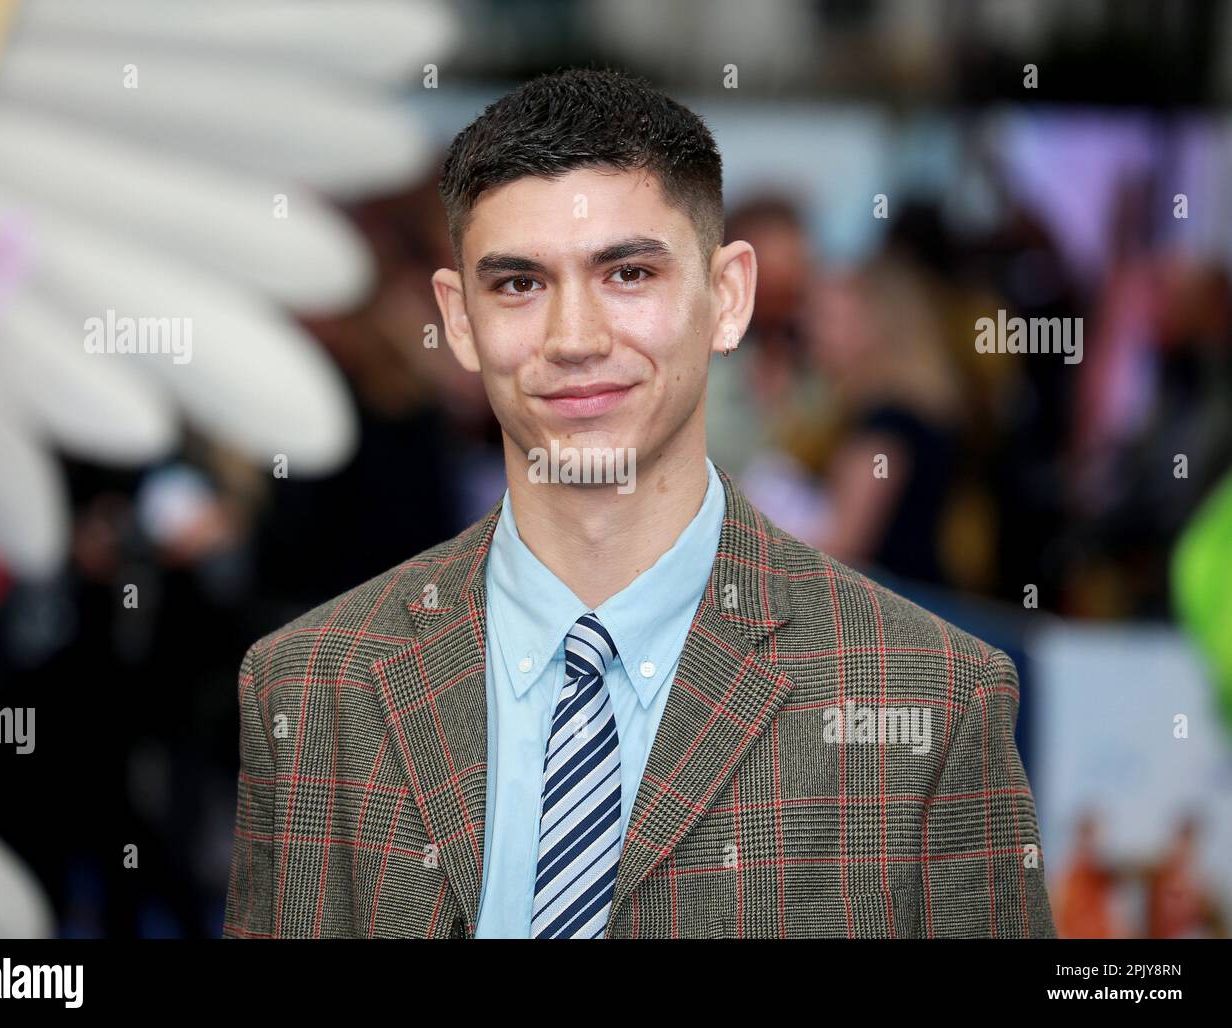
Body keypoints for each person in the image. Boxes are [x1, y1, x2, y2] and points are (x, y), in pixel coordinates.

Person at [221, 68, 1055, 939]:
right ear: (459, 319)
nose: (575, 339)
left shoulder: (931, 698)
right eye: (517, 284)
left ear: (727, 297)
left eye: (627, 273)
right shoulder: (312, 689)